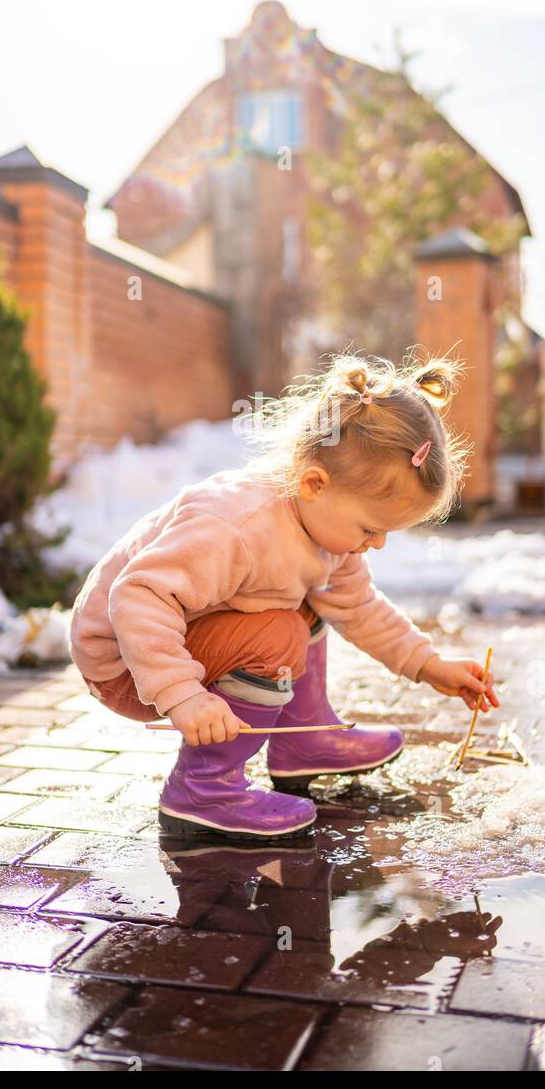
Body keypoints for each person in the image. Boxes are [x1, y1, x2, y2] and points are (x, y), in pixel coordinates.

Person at [69, 350, 499, 841]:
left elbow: (359, 608)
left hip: (170, 644)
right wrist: (182, 695)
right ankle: (203, 788)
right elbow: (140, 596)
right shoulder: (235, 524)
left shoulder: (325, 532)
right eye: (371, 527)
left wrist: (430, 664)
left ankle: (306, 739)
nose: (375, 544)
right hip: (125, 662)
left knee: (305, 605)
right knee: (277, 634)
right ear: (315, 483)